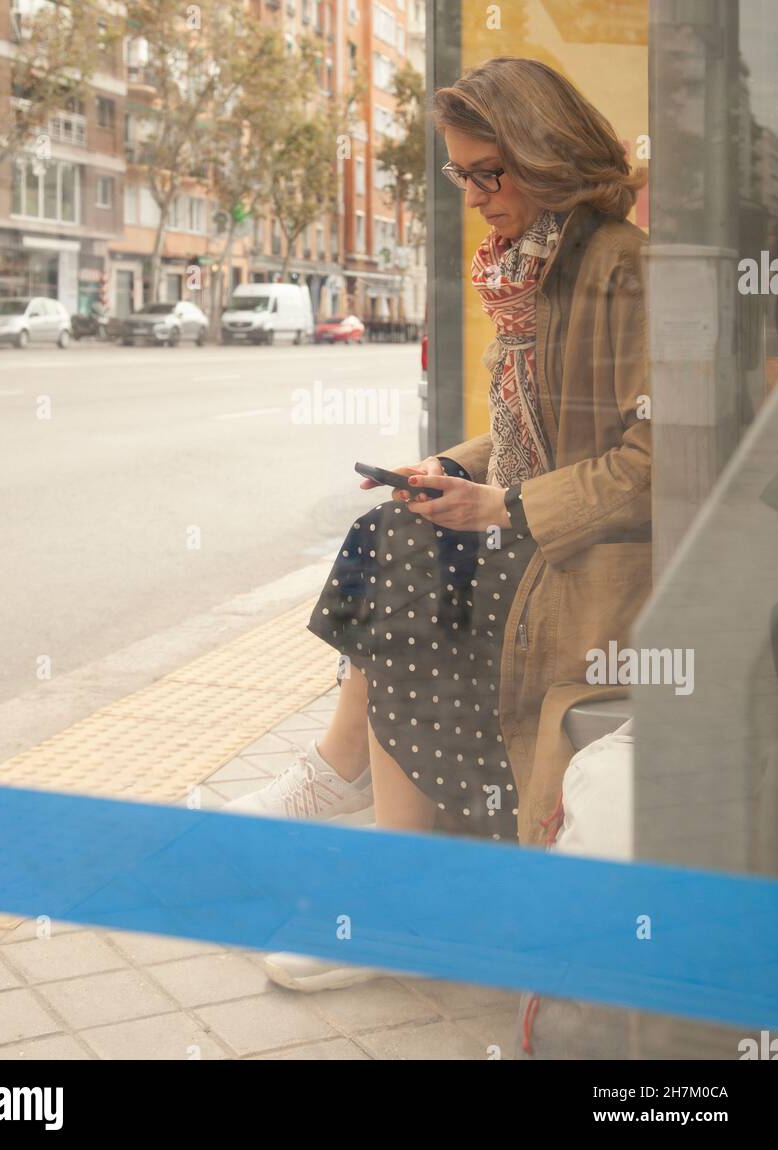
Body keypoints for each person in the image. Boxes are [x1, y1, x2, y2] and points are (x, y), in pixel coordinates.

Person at [226, 56, 653, 991]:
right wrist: (453, 469)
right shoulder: (532, 263)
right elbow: (529, 426)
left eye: (487, 173)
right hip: (549, 541)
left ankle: (377, 866)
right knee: (402, 527)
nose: (473, 197)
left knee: (404, 552)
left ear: (548, 151)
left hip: (607, 571)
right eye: (461, 176)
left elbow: (653, 462)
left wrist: (500, 502)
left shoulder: (620, 266)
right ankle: (378, 853)